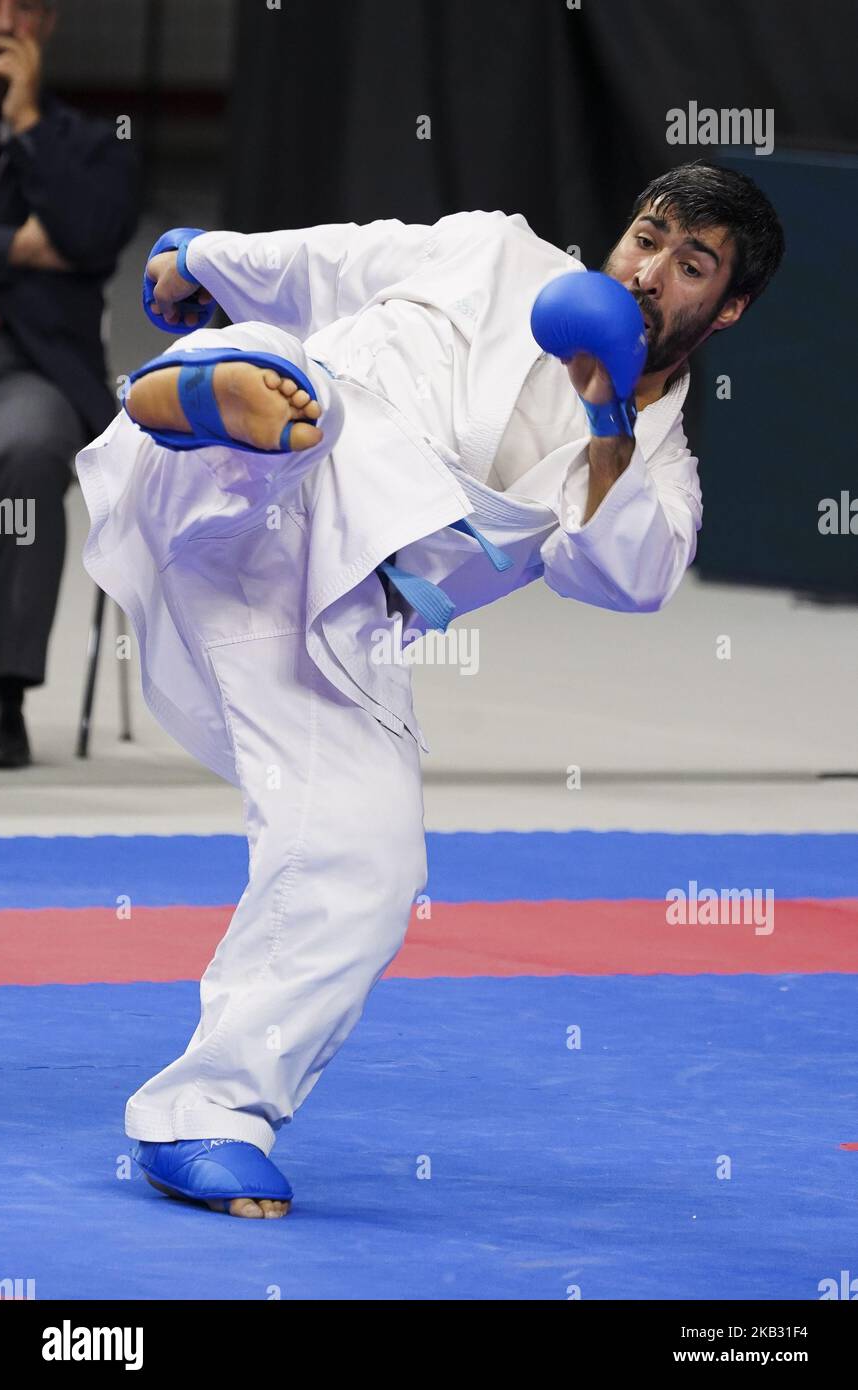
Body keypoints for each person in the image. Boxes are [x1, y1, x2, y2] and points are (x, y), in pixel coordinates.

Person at [75, 161, 784, 1218]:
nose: (645, 271)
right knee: (295, 383)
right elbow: (335, 254)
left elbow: (624, 575)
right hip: (236, 486)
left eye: (689, 265)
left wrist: (604, 413)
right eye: (645, 235)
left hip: (320, 616)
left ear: (724, 310)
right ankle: (201, 393)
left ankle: (208, 1115)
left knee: (367, 859)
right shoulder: (494, 252)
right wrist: (200, 259)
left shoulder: (653, 468)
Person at [0, 0, 139, 766]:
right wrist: (19, 244)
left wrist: (25, 124)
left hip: (34, 372)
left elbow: (88, 233)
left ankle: (0, 697)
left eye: (26, 6)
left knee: (25, 450)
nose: (6, 19)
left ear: (47, 25)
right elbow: (54, 244)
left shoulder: (92, 145)